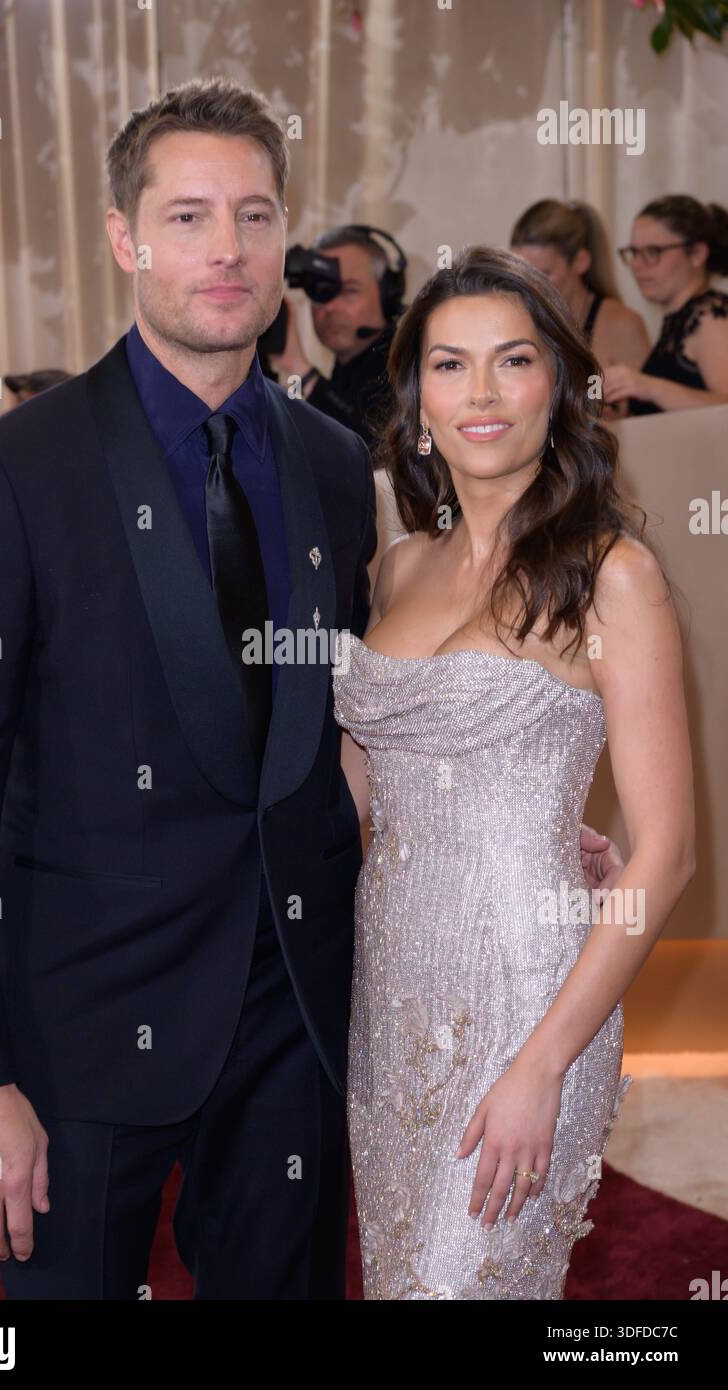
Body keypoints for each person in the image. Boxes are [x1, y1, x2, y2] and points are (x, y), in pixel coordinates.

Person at [0, 78, 626, 1303]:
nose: (225, 251)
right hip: (80, 1043)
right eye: (186, 218)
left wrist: (505, 808)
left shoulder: (338, 468)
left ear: (283, 237)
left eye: (252, 214)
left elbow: (345, 715)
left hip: (300, 1020)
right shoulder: (8, 479)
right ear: (124, 239)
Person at [333, 246, 695, 1300]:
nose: (481, 394)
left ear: (559, 385)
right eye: (450, 365)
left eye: (514, 361)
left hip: (529, 998)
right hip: (388, 993)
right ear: (417, 398)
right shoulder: (397, 566)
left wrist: (543, 1066)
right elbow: (356, 788)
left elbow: (666, 853)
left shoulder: (611, 573)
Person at [268, 226, 401, 458]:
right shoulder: (347, 371)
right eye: (321, 292)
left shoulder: (408, 364)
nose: (330, 307)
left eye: (349, 290)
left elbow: (369, 449)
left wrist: (299, 367)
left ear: (386, 294)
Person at [510, 199, 650, 418]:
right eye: (522, 274)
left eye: (544, 273)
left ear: (580, 262)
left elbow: (647, 420)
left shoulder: (622, 325)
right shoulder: (514, 320)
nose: (530, 285)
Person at [606, 196, 728, 415]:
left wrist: (649, 387)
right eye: (634, 252)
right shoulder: (679, 318)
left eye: (653, 252)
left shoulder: (710, 315)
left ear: (697, 254)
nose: (636, 266)